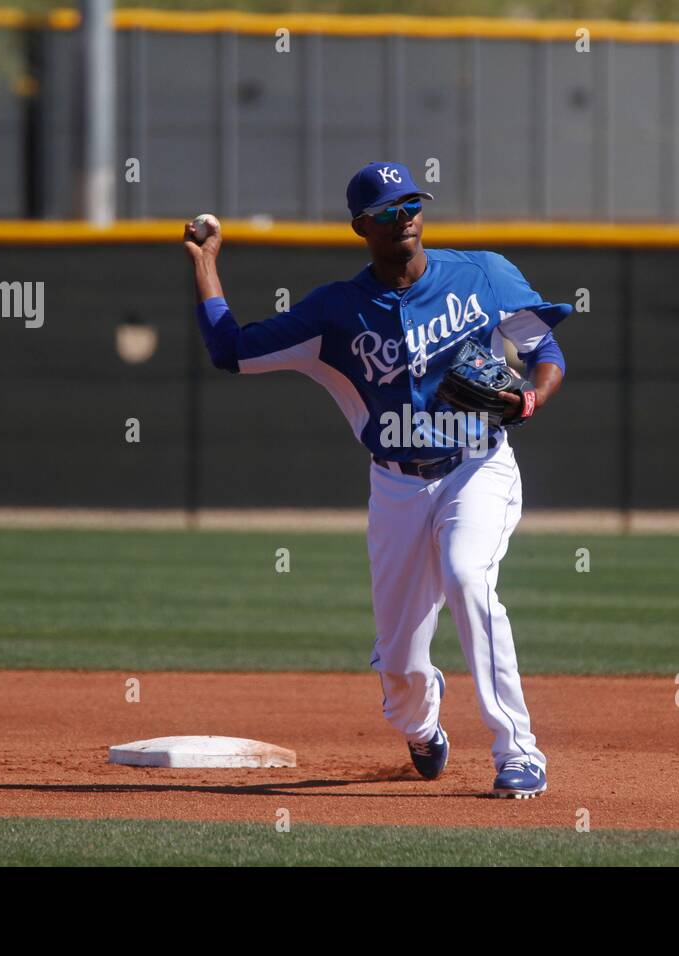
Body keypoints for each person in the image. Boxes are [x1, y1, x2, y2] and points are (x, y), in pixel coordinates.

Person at [184, 161, 573, 798]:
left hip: (477, 463)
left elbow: (544, 351)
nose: (407, 218)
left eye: (414, 204)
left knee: (467, 575)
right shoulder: (336, 312)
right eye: (391, 211)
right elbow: (231, 351)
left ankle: (518, 752)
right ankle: (422, 724)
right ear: (363, 226)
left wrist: (530, 400)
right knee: (399, 668)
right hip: (395, 486)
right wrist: (206, 263)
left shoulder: (481, 275)